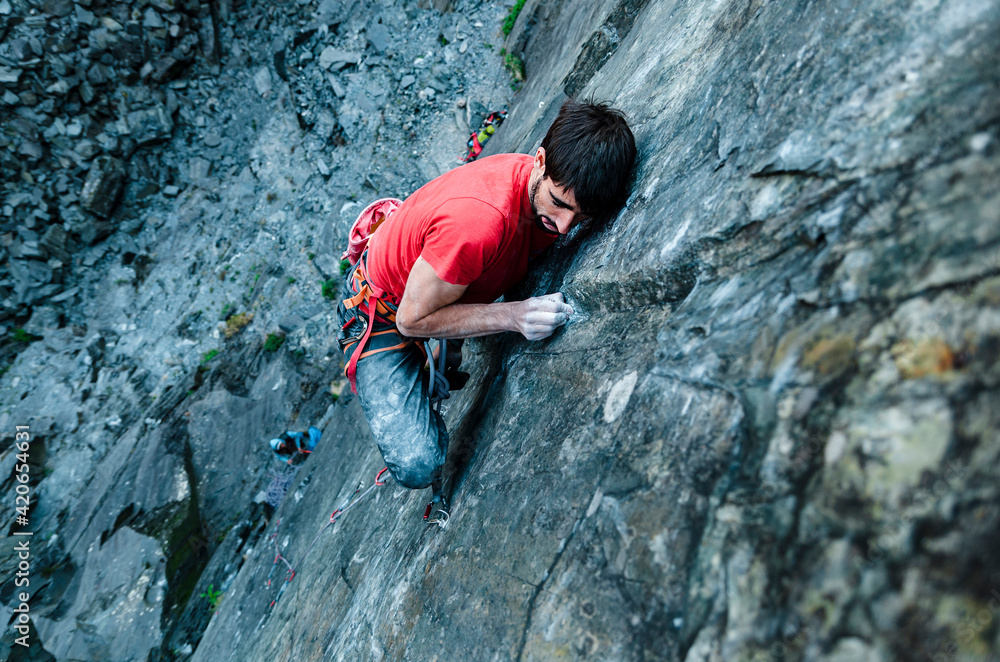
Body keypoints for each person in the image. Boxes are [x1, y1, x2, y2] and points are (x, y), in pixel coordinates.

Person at [337, 99, 636, 517]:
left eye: (580, 216)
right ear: (540, 160)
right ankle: (427, 357)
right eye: (559, 203)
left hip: (430, 282)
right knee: (418, 463)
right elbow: (409, 320)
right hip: (381, 312)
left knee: (446, 336)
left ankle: (439, 343)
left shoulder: (542, 187)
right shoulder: (480, 223)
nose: (565, 226)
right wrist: (513, 315)